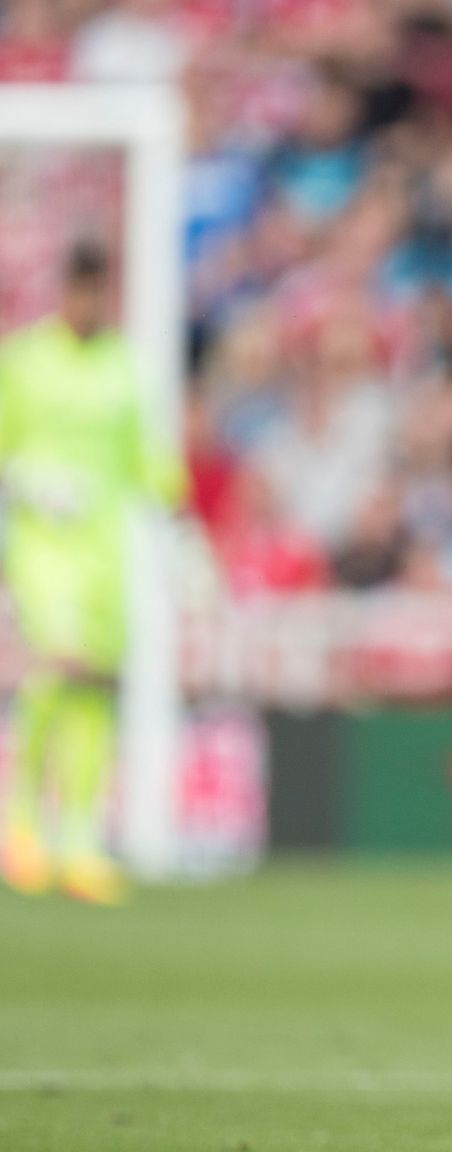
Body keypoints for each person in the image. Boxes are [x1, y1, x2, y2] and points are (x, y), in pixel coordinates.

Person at [0, 241, 186, 905]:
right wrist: (29, 481)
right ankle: (23, 824)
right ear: (63, 292)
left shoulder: (125, 369)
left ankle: (80, 838)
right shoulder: (25, 362)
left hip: (106, 553)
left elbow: (150, 461)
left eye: (97, 291)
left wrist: (180, 525)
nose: (88, 303)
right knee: (55, 669)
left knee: (94, 692)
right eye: (79, 290)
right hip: (44, 548)